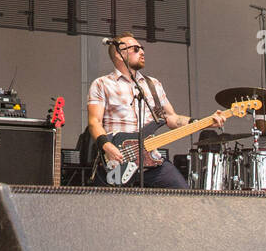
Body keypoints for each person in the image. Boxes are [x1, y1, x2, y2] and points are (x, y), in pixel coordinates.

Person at [87, 33, 228, 188]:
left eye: (142, 48)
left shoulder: (152, 84)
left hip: (151, 159)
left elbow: (172, 118)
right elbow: (95, 122)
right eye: (136, 49)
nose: (142, 52)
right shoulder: (102, 84)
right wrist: (106, 146)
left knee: (184, 195)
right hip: (119, 160)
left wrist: (205, 122)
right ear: (119, 54)